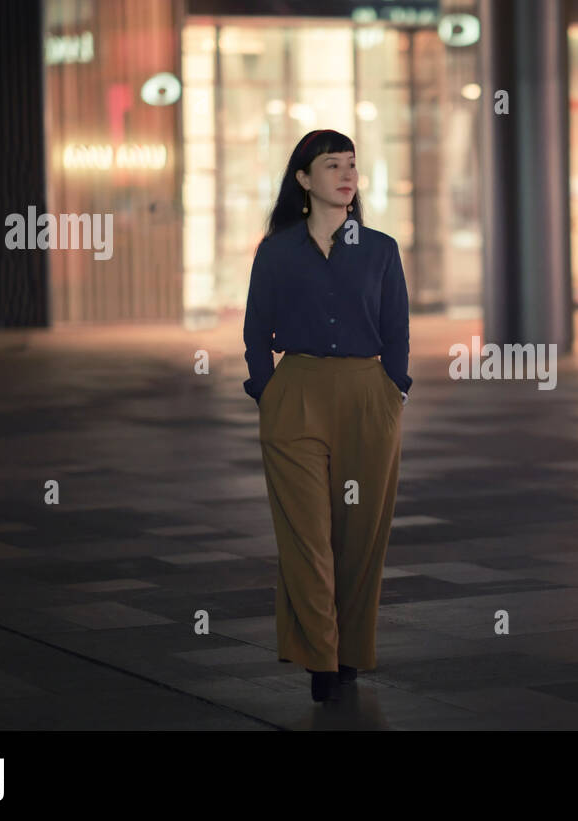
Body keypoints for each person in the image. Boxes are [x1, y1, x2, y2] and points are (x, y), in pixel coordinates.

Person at [242, 129, 411, 703]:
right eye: (332, 165)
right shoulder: (277, 249)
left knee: (359, 537)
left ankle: (350, 654)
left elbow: (398, 331)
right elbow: (254, 325)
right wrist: (266, 389)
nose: (346, 176)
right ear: (304, 180)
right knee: (307, 536)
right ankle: (321, 657)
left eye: (352, 166)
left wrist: (395, 388)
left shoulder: (381, 248)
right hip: (296, 395)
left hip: (369, 395)